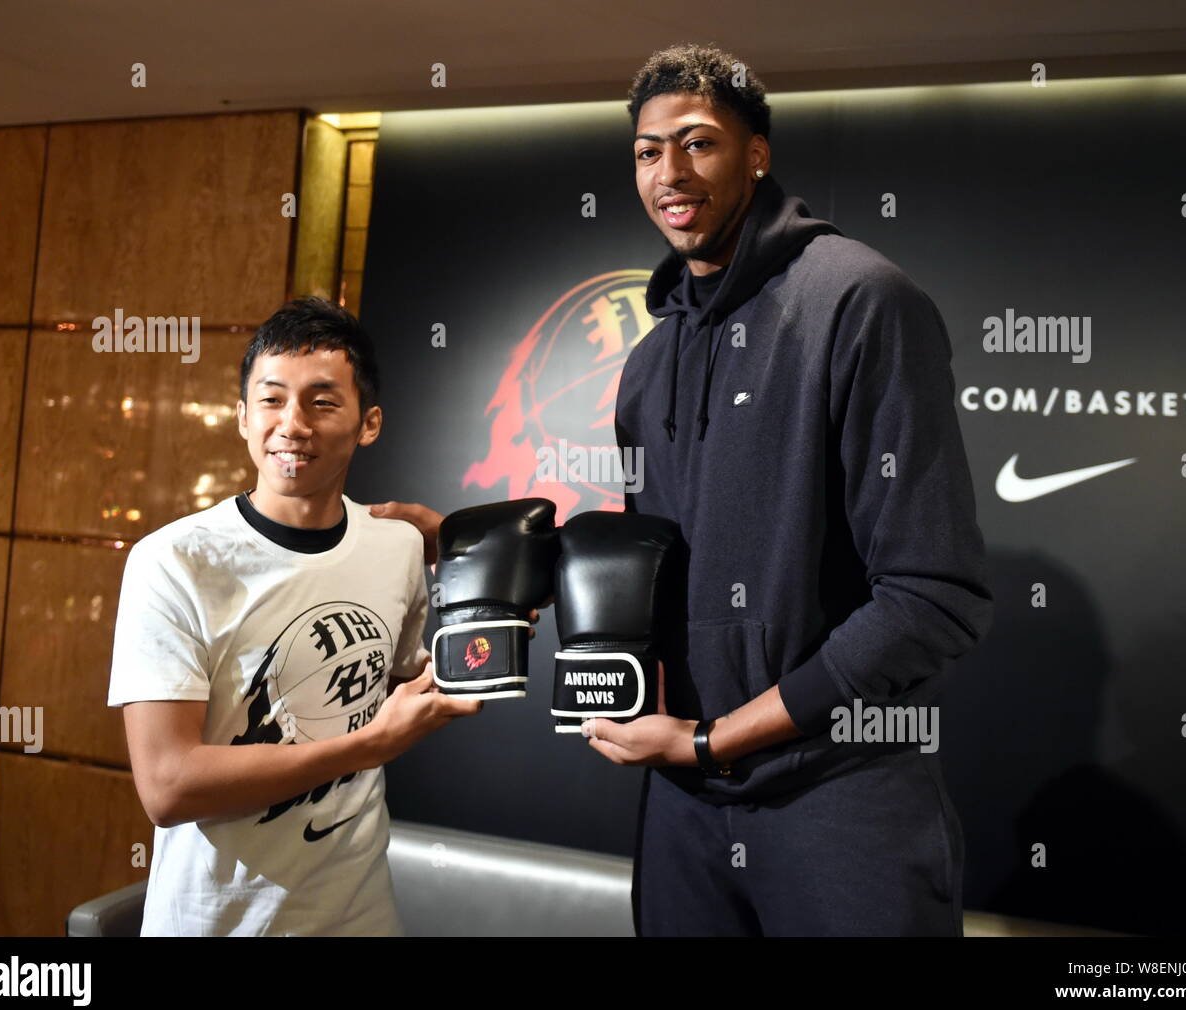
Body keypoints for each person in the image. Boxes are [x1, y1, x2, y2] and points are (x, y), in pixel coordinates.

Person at [376, 43, 993, 937]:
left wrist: (716, 737)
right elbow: (649, 566)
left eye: (698, 143)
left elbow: (934, 600)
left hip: (842, 800)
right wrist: (477, 548)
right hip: (684, 807)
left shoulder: (861, 301)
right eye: (647, 150)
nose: (670, 172)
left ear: (757, 153)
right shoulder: (650, 358)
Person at [108, 296, 482, 936]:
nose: (292, 424)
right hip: (215, 922)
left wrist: (481, 638)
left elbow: (390, 689)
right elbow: (168, 786)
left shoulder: (396, 547)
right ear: (242, 417)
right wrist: (371, 745)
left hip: (360, 916)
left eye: (322, 400)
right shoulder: (172, 561)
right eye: (272, 399)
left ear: (369, 423)